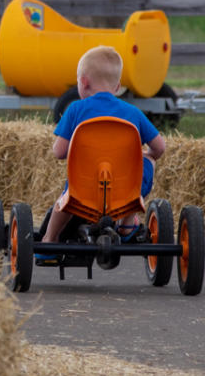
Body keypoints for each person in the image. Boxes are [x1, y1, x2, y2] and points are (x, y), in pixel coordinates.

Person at [40, 45, 166, 245]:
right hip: (125, 190)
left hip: (83, 188)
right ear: (117, 87)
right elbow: (159, 148)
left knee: (64, 201)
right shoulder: (133, 113)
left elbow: (59, 152)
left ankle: (49, 238)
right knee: (148, 159)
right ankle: (126, 224)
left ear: (83, 82)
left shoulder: (75, 109)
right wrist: (140, 155)